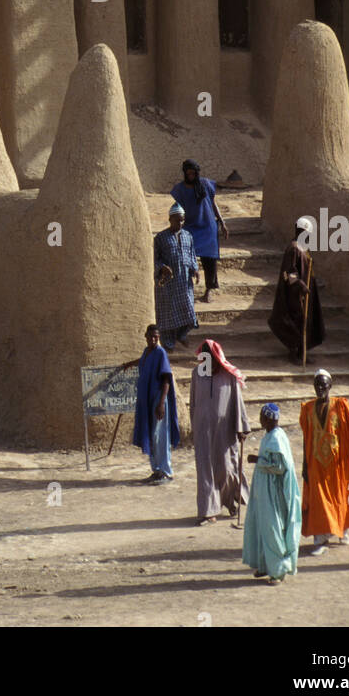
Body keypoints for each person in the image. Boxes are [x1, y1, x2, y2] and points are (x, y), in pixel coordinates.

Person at [299, 369, 349, 555]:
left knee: (339, 498)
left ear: (330, 386)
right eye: (317, 385)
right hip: (316, 464)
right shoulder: (307, 409)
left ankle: (341, 530)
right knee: (319, 501)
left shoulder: (341, 406)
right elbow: (307, 439)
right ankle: (321, 539)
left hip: (337, 464)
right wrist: (305, 465)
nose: (320, 388)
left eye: (323, 385)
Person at [189, 338, 250, 524]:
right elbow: (193, 402)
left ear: (216, 357)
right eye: (204, 357)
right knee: (205, 470)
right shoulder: (196, 374)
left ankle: (230, 499)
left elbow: (237, 403)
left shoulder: (229, 376)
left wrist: (242, 427)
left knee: (226, 468)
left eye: (210, 357)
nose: (207, 361)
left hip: (225, 432)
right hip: (203, 431)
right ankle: (208, 511)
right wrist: (195, 426)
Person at [242, 403, 302, 584]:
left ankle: (278, 570)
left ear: (269, 419)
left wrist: (257, 460)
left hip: (273, 492)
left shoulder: (277, 438)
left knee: (272, 529)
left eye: (262, 417)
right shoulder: (269, 436)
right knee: (261, 527)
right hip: (263, 491)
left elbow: (279, 466)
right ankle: (265, 564)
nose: (260, 420)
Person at [123, 324, 180, 483]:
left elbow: (166, 380)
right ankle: (156, 470)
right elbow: (142, 361)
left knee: (160, 436)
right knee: (152, 435)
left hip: (157, 400)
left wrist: (161, 403)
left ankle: (166, 472)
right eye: (151, 336)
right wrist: (128, 364)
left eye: (157, 336)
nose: (154, 339)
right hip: (147, 400)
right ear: (146, 336)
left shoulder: (161, 353)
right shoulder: (147, 352)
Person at [170, 160, 228, 301]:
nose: (190, 175)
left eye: (193, 173)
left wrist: (222, 222)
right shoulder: (180, 189)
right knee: (186, 257)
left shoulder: (206, 184)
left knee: (210, 260)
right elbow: (178, 209)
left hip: (208, 226)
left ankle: (210, 290)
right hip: (190, 227)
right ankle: (186, 288)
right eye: (188, 173)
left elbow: (213, 203)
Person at [268, 219, 325, 362]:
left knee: (306, 321)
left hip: (305, 292)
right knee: (297, 321)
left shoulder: (302, 247)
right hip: (295, 293)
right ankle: (294, 352)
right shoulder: (294, 248)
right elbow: (289, 272)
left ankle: (302, 352)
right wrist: (300, 285)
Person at [153, 203, 199, 350]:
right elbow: (154, 258)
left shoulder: (188, 236)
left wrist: (195, 269)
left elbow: (192, 255)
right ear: (170, 219)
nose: (180, 223)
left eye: (182, 220)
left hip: (184, 280)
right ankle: (168, 342)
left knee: (188, 308)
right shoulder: (160, 238)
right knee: (168, 312)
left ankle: (182, 334)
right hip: (168, 282)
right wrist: (162, 268)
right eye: (177, 220)